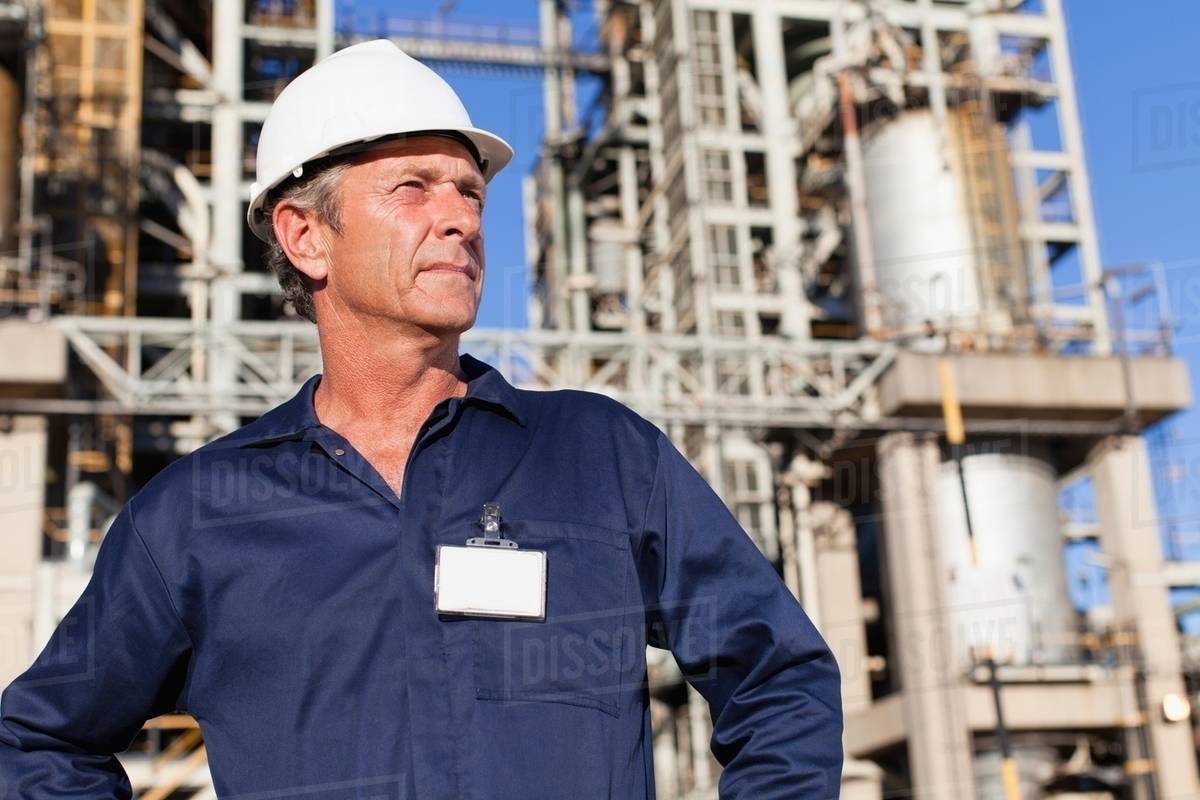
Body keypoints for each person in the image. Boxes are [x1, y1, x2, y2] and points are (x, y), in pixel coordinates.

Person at [0, 40, 843, 799]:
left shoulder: (601, 458)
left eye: (470, 192)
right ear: (304, 236)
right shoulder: (197, 516)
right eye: (413, 188)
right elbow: (39, 742)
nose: (463, 219)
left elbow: (781, 679)